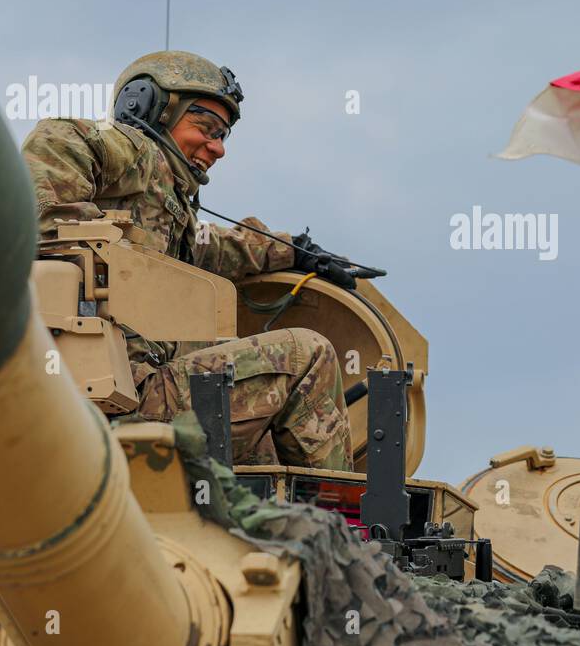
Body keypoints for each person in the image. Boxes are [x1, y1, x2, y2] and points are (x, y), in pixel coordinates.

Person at [22, 50, 354, 468]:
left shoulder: (168, 205)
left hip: (132, 395)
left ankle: (288, 526)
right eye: (207, 128)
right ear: (149, 108)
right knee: (307, 354)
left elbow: (211, 248)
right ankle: (342, 525)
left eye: (224, 136)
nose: (217, 148)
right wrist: (87, 234)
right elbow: (55, 143)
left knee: (265, 447)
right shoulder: (136, 151)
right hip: (120, 397)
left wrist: (297, 249)